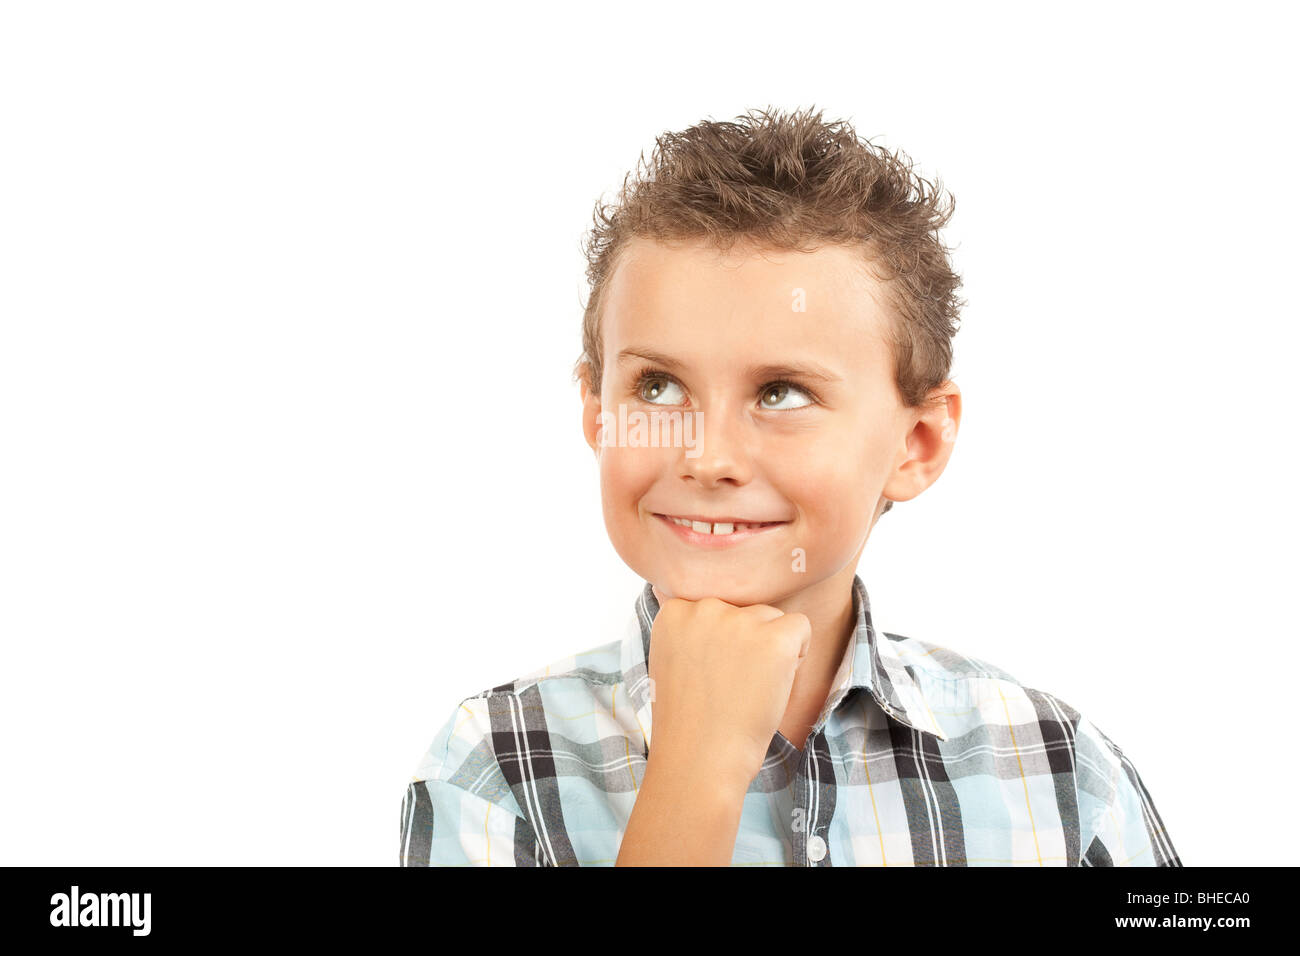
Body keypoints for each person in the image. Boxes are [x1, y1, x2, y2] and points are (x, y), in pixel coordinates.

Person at [399, 106, 1180, 866]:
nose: (708, 458)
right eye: (659, 387)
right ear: (598, 415)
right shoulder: (494, 771)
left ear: (916, 443)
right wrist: (695, 771)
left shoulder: (1061, 777)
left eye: (782, 393)